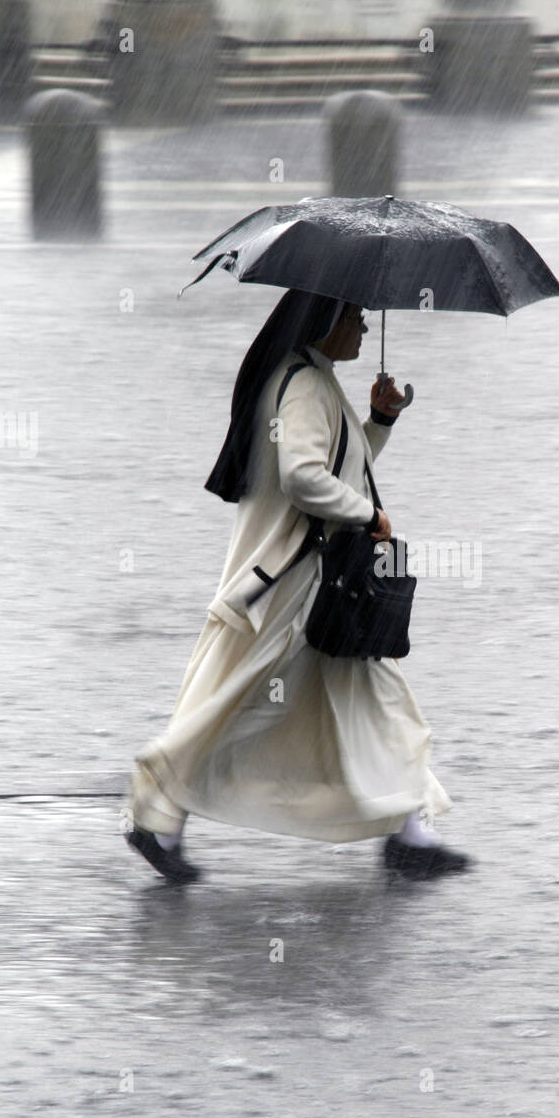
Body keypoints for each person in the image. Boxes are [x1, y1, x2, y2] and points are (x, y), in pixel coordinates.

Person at [121, 288, 469, 884]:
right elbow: (305, 477)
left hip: (299, 583)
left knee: (371, 700)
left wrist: (379, 421)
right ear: (327, 320)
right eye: (355, 316)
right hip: (290, 588)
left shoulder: (309, 375)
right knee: (237, 707)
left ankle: (410, 833)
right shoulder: (306, 383)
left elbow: (337, 464)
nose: (362, 327)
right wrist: (368, 516)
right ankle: (158, 814)